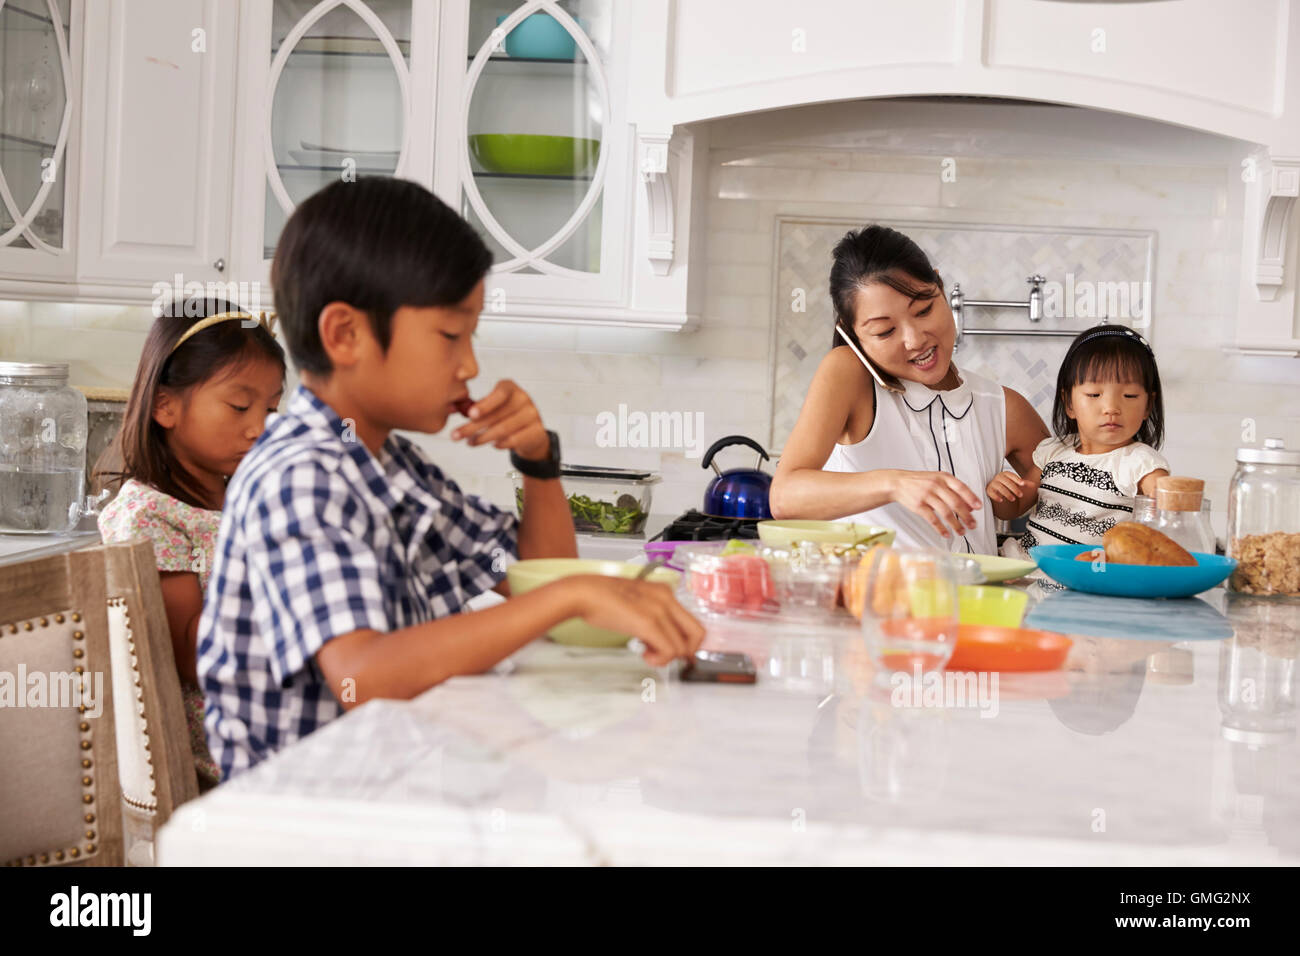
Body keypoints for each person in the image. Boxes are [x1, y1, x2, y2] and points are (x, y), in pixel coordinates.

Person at [197, 177, 704, 779]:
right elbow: (365, 677)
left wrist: (537, 461)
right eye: (449, 335)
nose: (469, 365)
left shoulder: (390, 465)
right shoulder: (298, 475)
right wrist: (569, 595)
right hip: (309, 824)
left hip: (391, 790)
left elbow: (531, 576)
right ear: (346, 334)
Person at [97, 298, 286, 790]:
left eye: (271, 408)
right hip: (225, 768)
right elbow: (197, 662)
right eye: (240, 406)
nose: (260, 427)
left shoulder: (242, 500)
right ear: (165, 406)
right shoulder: (150, 516)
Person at [771, 224, 1049, 554]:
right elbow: (784, 496)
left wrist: (1012, 501)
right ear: (852, 333)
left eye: (924, 310)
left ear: (940, 288)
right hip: (874, 601)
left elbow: (1066, 470)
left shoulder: (1001, 405)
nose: (915, 340)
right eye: (885, 331)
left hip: (977, 602)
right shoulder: (849, 373)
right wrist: (894, 483)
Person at [990, 324, 1169, 557]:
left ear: (1148, 405)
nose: (1111, 408)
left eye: (1130, 396)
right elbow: (1012, 510)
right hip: (1027, 567)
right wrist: (1003, 493)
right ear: (1069, 404)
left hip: (1090, 579)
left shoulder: (1141, 463)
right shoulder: (1054, 451)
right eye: (1094, 395)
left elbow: (1171, 512)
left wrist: (1168, 500)